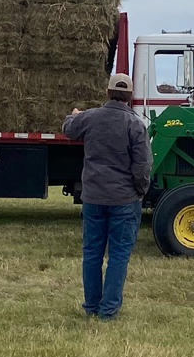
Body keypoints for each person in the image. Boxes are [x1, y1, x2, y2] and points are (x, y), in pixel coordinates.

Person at [63, 74, 152, 319]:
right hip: (124, 199)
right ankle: (109, 309)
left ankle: (91, 306)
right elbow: (143, 165)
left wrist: (73, 115)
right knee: (118, 255)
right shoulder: (135, 124)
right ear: (130, 96)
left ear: (107, 92)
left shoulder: (90, 117)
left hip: (93, 197)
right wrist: (140, 191)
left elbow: (68, 129)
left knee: (92, 253)